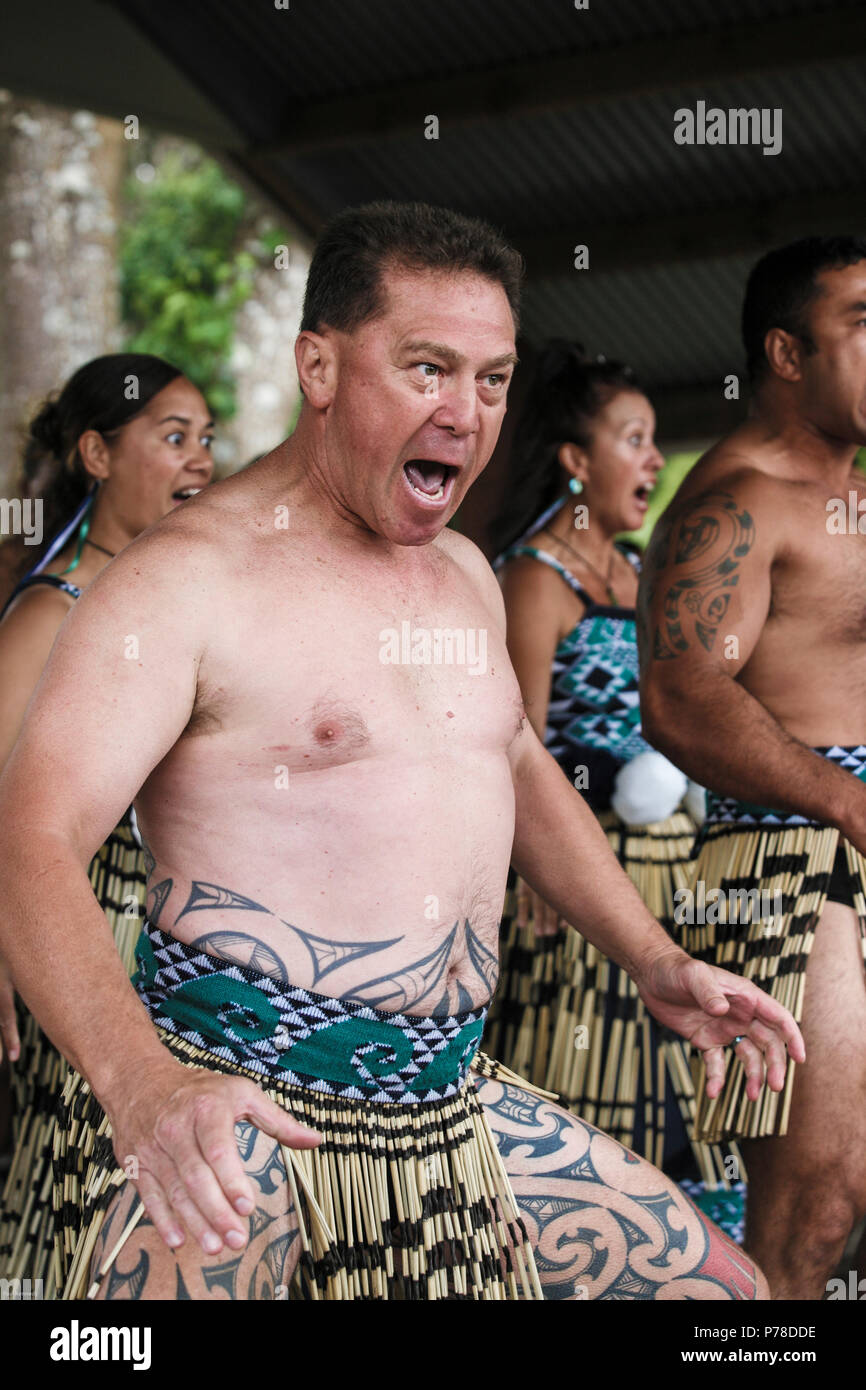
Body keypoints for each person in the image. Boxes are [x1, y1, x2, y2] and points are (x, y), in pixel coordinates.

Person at [0, 201, 801, 1302]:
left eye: (490, 377)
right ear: (317, 367)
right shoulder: (183, 579)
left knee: (727, 1303)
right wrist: (143, 1086)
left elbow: (513, 761)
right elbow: (30, 840)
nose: (464, 414)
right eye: (426, 368)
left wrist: (651, 958)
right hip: (246, 1124)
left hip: (453, 1111)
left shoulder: (464, 574)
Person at [638, 235, 866, 1300]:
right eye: (862, 324)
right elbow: (682, 695)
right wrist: (844, 795)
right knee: (814, 1205)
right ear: (784, 350)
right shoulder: (735, 498)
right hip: (789, 861)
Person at [482, 342, 742, 1221]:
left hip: (678, 880)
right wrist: (529, 869)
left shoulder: (645, 577)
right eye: (634, 438)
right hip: (580, 880)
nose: (655, 459)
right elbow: (516, 743)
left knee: (686, 1106)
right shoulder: (531, 578)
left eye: (655, 439)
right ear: (575, 460)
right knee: (589, 1096)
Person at [0, 353, 214, 1294]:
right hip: (82, 948)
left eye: (208, 440)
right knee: (80, 1190)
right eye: (174, 438)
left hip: (167, 954)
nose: (201, 461)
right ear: (96, 452)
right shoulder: (53, 611)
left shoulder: (179, 603)